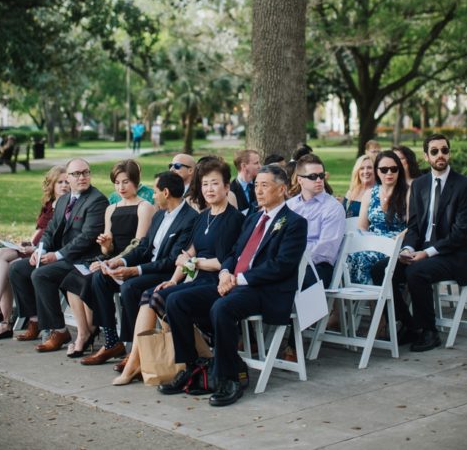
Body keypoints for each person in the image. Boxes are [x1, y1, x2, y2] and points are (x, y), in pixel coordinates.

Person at [158, 165, 308, 407]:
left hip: (266, 290)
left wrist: (238, 279)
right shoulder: (253, 218)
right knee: (176, 300)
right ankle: (192, 367)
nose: (258, 191)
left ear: (281, 190)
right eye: (256, 185)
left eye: (265, 186)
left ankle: (230, 379)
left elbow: (281, 266)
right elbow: (234, 252)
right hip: (234, 283)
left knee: (222, 308)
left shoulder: (294, 222)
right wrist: (226, 272)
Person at [111, 159, 244, 385]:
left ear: (226, 187)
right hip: (197, 278)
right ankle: (183, 363)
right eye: (205, 185)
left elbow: (222, 263)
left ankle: (192, 362)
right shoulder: (203, 217)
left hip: (217, 282)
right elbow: (187, 253)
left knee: (172, 301)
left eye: (214, 184)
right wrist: (173, 279)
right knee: (155, 294)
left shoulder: (234, 219)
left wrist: (195, 262)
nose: (209, 189)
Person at [371, 134, 467, 352]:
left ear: (449, 152)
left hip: (456, 255)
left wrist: (426, 253)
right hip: (422, 252)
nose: (441, 155)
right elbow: (414, 227)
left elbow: (460, 233)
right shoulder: (419, 185)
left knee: (416, 272)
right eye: (435, 151)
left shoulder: (464, 186)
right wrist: (408, 249)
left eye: (445, 150)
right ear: (426, 156)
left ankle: (429, 331)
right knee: (381, 270)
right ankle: (410, 325)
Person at [79, 170, 193, 368]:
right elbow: (143, 247)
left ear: (165, 192)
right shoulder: (159, 216)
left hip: (168, 274)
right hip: (148, 267)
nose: (153, 195)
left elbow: (172, 261)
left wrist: (135, 270)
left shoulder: (189, 218)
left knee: (130, 287)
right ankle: (111, 341)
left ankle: (134, 350)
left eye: (155, 191)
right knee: (99, 278)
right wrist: (119, 262)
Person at [7, 158, 108, 352]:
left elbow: (87, 238)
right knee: (17, 269)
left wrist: (57, 255)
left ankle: (59, 330)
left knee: (41, 274)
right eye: (76, 174)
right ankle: (35, 320)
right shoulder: (63, 200)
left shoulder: (96, 200)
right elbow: (50, 231)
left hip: (83, 259)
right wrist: (40, 250)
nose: (82, 177)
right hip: (60, 256)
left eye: (85, 172)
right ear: (68, 178)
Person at [64, 160, 153, 357]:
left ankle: (113, 338)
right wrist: (105, 245)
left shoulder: (144, 207)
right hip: (113, 260)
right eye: (117, 183)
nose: (121, 187)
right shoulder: (111, 209)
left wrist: (111, 262)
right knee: (75, 278)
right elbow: (108, 248)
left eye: (126, 182)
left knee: (97, 278)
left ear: (136, 182)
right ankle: (102, 333)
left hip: (133, 261)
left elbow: (138, 245)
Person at [0, 165, 69, 339]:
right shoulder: (49, 204)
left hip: (45, 251)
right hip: (33, 247)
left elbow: (58, 238)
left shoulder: (68, 206)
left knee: (7, 263)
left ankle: (0, 317)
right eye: (60, 182)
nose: (64, 185)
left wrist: (35, 248)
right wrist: (27, 242)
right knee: (0, 255)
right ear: (52, 184)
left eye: (67, 182)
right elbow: (40, 229)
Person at [346, 150, 408, 284]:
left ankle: (375, 301)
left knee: (365, 259)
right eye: (384, 169)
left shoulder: (407, 193)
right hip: (373, 242)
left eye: (393, 169)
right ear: (377, 171)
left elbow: (412, 226)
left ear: (399, 170)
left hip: (397, 243)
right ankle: (361, 299)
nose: (389, 173)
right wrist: (371, 243)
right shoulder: (369, 194)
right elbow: (362, 227)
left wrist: (393, 241)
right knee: (349, 257)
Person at [285, 153, 345, 287]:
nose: (319, 180)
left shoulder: (333, 208)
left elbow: (324, 251)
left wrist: (291, 260)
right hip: (288, 262)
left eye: (321, 176)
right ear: (300, 180)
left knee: (287, 280)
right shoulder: (290, 206)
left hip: (318, 267)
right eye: (313, 177)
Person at [230, 148, 260, 213]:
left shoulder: (261, 184)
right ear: (244, 166)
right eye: (256, 163)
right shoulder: (230, 190)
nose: (260, 166)